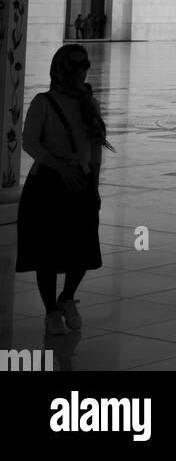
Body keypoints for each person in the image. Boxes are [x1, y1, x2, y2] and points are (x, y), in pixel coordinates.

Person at [16, 45, 113, 336]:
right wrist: (61, 167)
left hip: (80, 184)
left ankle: (67, 296)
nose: (83, 69)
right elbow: (30, 141)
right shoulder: (43, 102)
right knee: (47, 253)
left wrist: (93, 186)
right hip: (47, 185)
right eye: (76, 64)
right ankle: (50, 311)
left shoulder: (89, 104)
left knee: (82, 250)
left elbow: (95, 150)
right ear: (62, 68)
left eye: (86, 63)